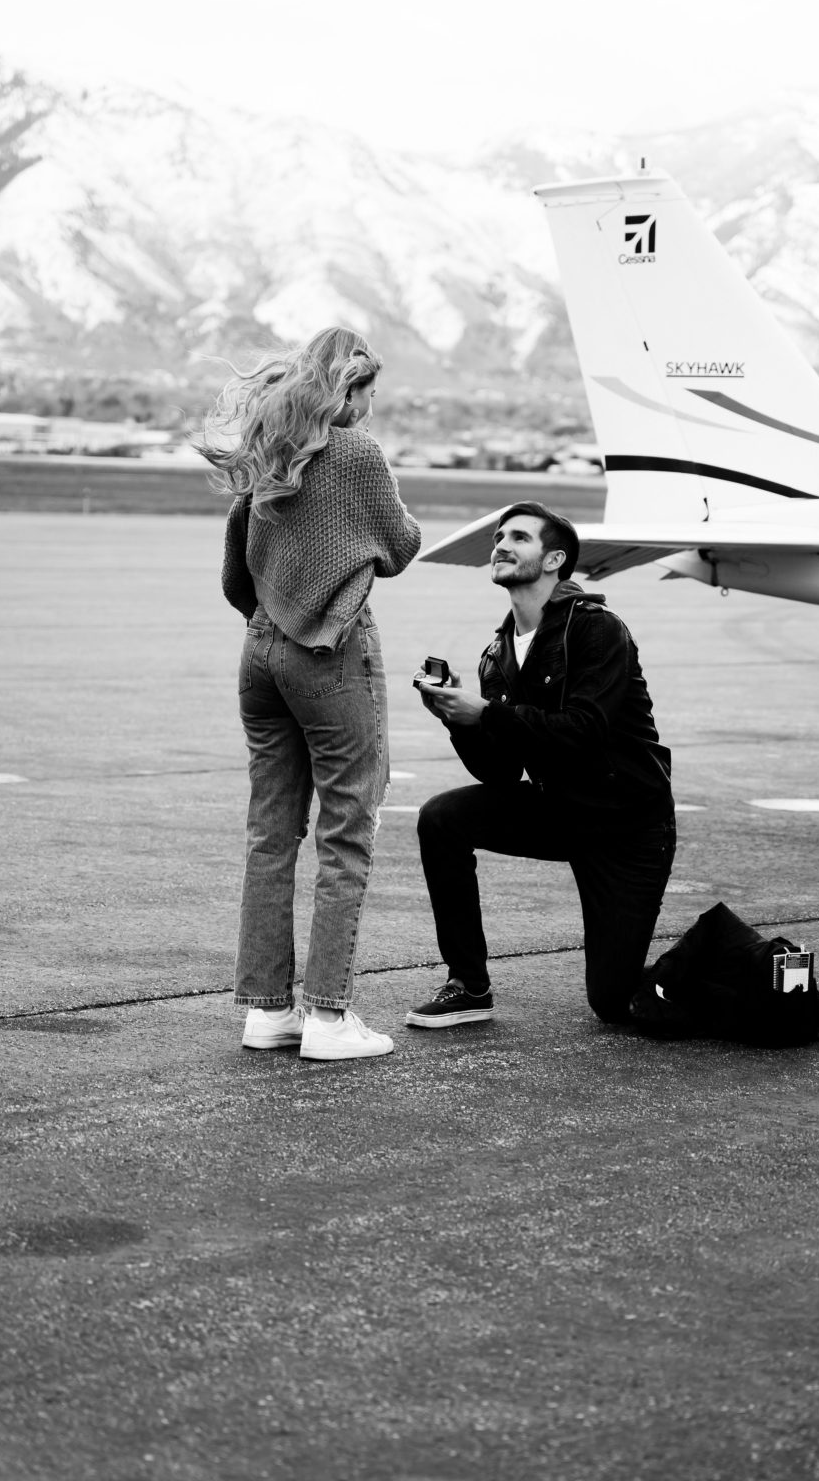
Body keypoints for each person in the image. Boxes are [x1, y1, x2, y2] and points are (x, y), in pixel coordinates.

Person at [199, 326, 421, 1060]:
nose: (372, 404)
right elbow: (399, 545)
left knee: (272, 834)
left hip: (260, 653)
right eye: (368, 391)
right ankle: (328, 1018)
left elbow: (236, 570)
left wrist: (273, 614)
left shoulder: (271, 449)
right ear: (346, 389)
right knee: (346, 832)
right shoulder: (355, 452)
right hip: (330, 650)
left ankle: (266, 1012)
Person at [408, 502, 675, 1029]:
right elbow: (501, 774)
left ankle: (756, 974)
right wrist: (460, 719)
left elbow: (584, 730)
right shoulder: (498, 653)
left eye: (520, 539)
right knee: (442, 817)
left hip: (627, 824)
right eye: (500, 537)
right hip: (564, 812)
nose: (501, 545)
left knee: (617, 1003)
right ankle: (469, 985)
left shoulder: (597, 629)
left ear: (554, 559)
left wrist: (490, 713)